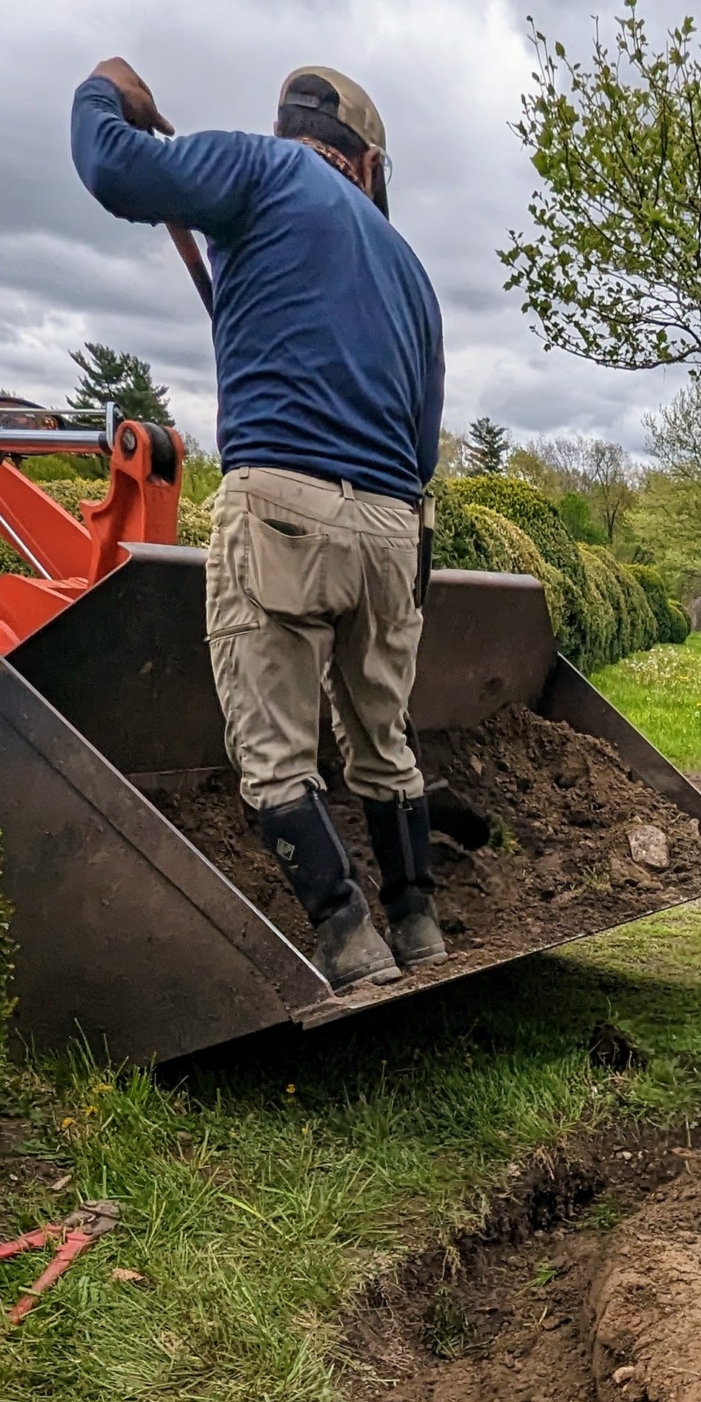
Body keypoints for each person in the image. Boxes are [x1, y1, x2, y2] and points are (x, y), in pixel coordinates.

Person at [72, 57, 448, 992]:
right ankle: (418, 923)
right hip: (394, 528)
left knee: (275, 754)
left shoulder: (261, 171)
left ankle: (349, 939)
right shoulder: (412, 272)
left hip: (283, 505)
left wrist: (98, 89)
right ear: (367, 165)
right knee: (383, 740)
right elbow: (425, 443)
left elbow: (113, 166)